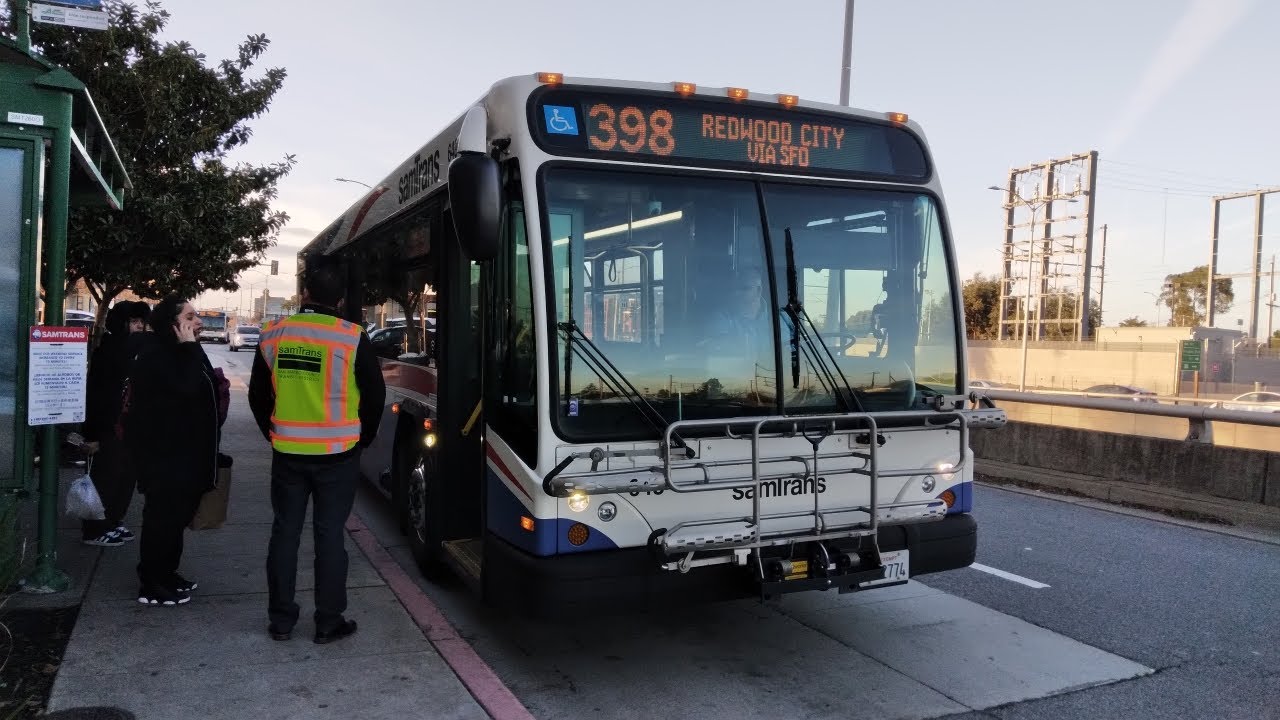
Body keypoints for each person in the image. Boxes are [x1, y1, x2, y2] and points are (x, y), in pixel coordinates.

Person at [249, 264, 385, 644]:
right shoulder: (352, 337)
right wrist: (362, 439)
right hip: (338, 455)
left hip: (288, 453)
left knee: (284, 534)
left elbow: (258, 396)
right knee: (329, 537)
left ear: (304, 293)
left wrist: (275, 433)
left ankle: (281, 620)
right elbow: (375, 397)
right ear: (340, 299)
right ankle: (328, 621)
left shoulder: (273, 333)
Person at [126, 297, 222, 606]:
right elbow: (187, 388)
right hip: (165, 457)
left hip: (188, 456)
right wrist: (190, 347)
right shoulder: (156, 355)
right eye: (190, 317)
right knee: (162, 520)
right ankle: (152, 584)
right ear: (173, 323)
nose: (198, 322)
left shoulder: (183, 351)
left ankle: (168, 573)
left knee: (176, 519)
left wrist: (191, 346)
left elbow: (206, 385)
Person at [81, 301, 151, 547]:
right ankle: (94, 528)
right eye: (134, 322)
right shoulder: (109, 351)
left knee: (125, 478)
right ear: (121, 323)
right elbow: (97, 395)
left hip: (131, 428)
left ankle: (112, 520)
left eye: (142, 323)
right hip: (108, 427)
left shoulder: (139, 350)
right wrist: (92, 433)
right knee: (105, 477)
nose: (139, 327)